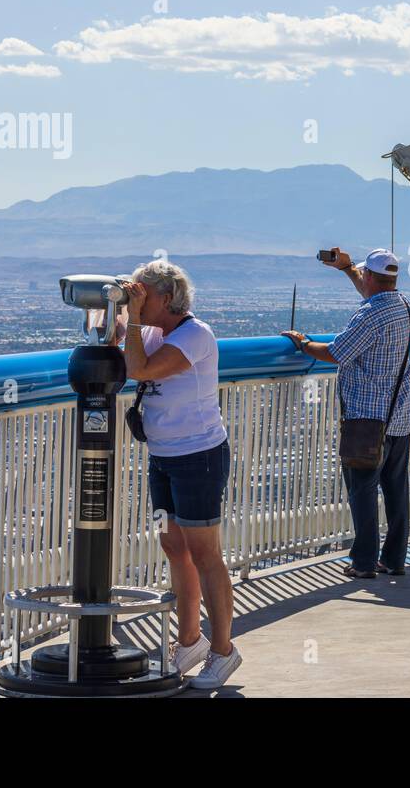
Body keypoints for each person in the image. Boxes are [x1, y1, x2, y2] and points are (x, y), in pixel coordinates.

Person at [119, 260, 240, 690]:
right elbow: (115, 349)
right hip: (164, 455)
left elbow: (140, 370)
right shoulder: (152, 331)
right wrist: (116, 307)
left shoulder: (195, 335)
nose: (138, 302)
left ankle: (224, 650)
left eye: (144, 295)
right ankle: (189, 641)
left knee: (205, 553)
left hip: (198, 455)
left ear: (166, 299)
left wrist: (133, 319)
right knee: (174, 546)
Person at [282, 247, 410, 579]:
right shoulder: (402, 306)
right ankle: (394, 558)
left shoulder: (369, 315)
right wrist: (346, 268)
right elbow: (372, 290)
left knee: (362, 489)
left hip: (367, 420)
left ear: (369, 276)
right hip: (399, 416)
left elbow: (337, 352)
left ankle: (364, 561)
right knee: (396, 490)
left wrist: (303, 343)